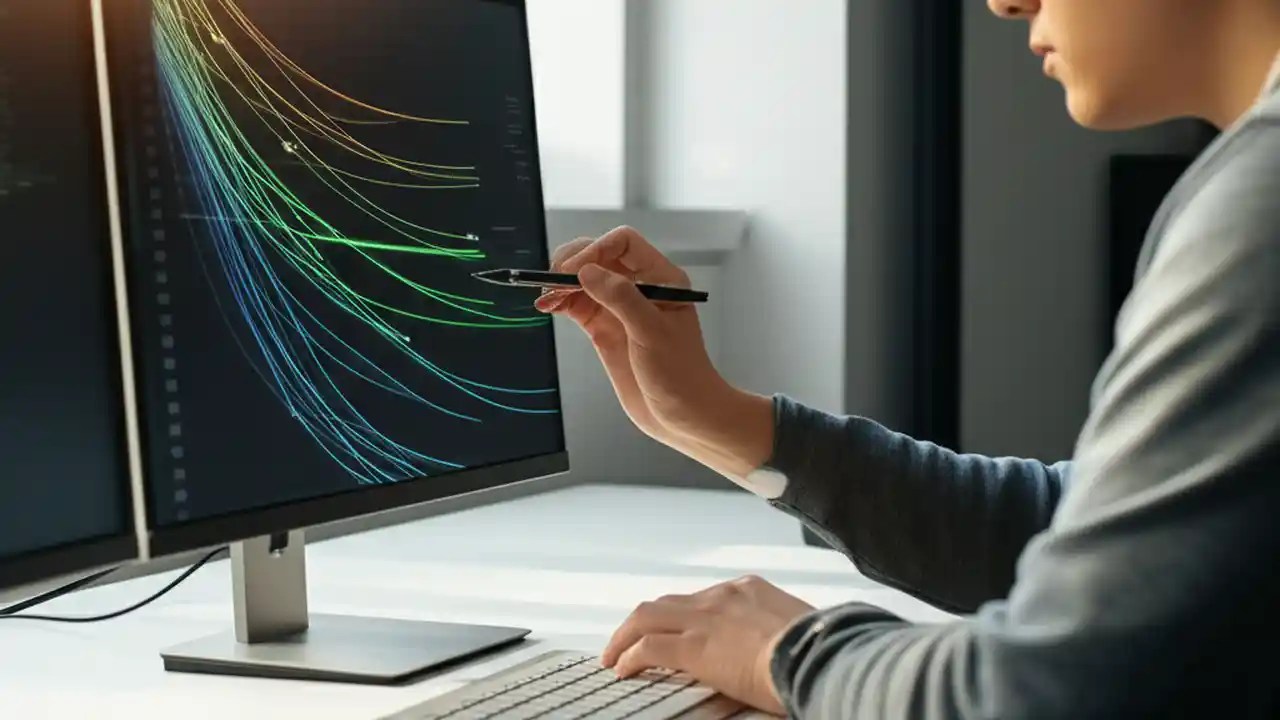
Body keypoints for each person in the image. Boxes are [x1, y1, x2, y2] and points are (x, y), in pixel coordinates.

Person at [536, 0, 1280, 717]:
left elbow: (1055, 689)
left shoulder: (1260, 207)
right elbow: (1079, 529)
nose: (1005, 4)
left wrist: (789, 651)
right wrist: (715, 420)